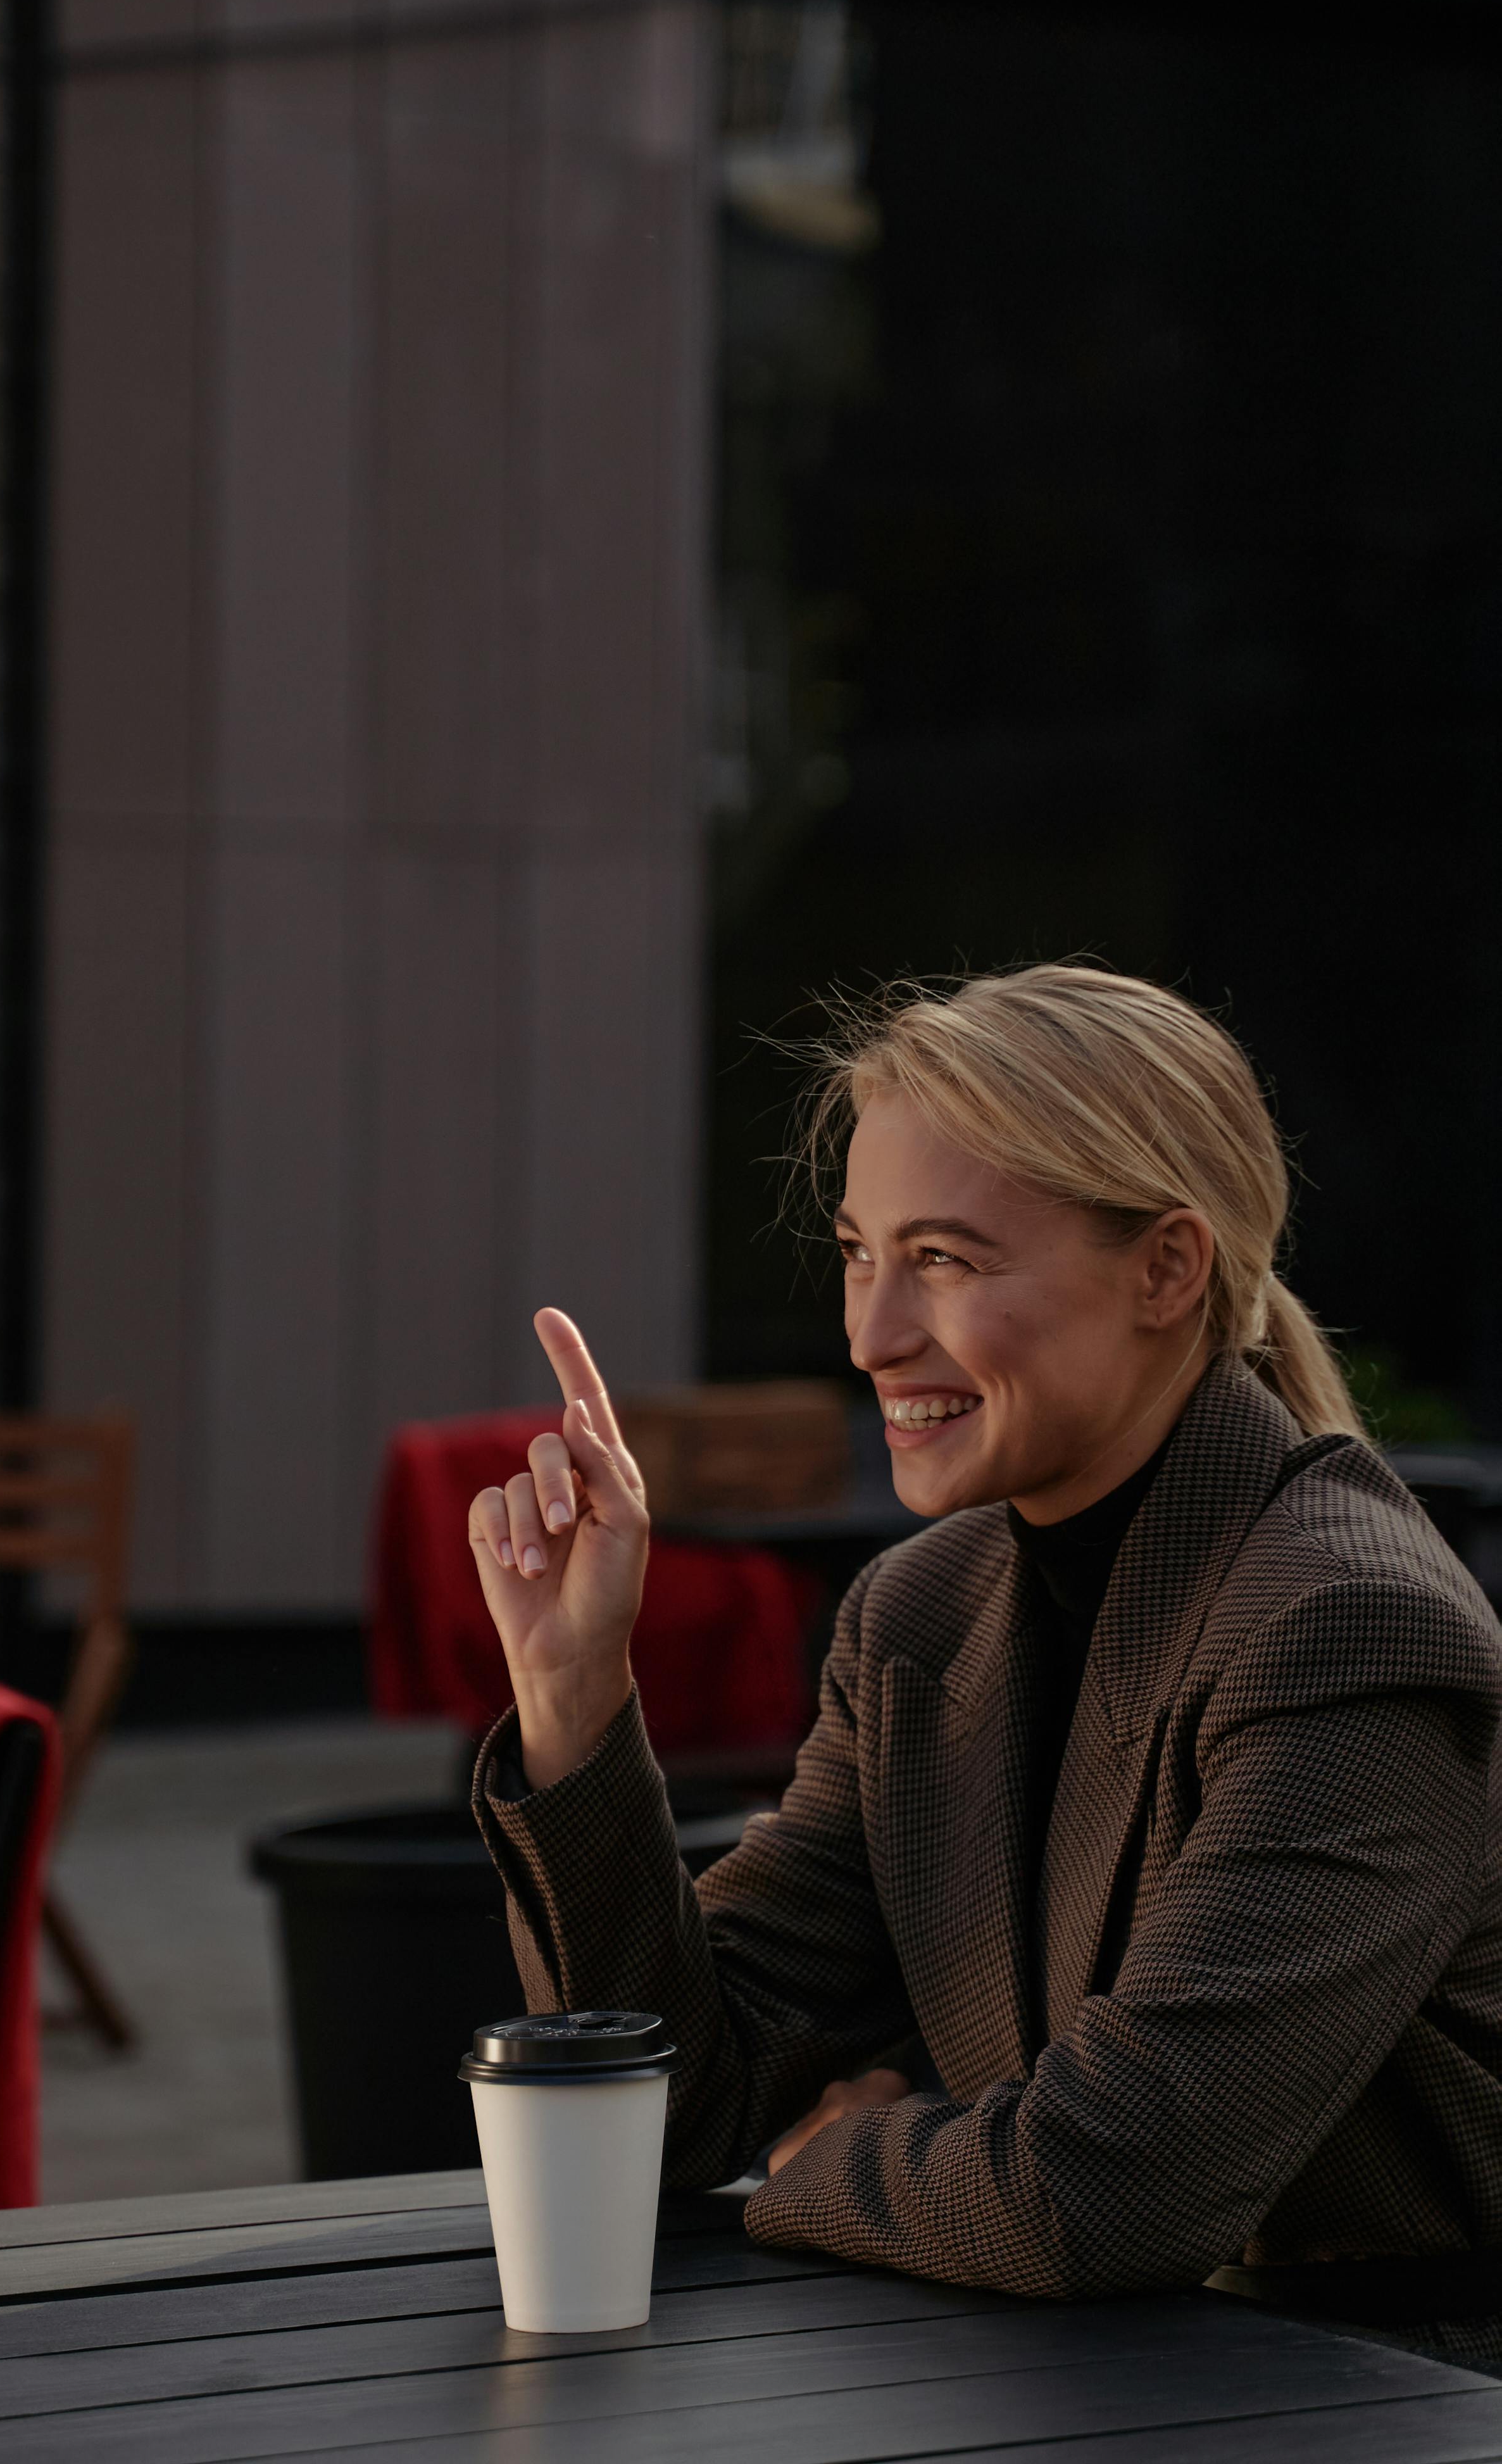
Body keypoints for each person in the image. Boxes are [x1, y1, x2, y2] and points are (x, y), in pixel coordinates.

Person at [466, 965, 1502, 2366]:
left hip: (1393, 2406)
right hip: (1079, 2389)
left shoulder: (1350, 1628)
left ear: (1166, 1269)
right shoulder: (922, 1615)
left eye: (943, 1259)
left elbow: (1104, 2191)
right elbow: (669, 2102)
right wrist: (575, 1692)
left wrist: (835, 2155)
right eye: (856, 1252)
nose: (871, 1335)